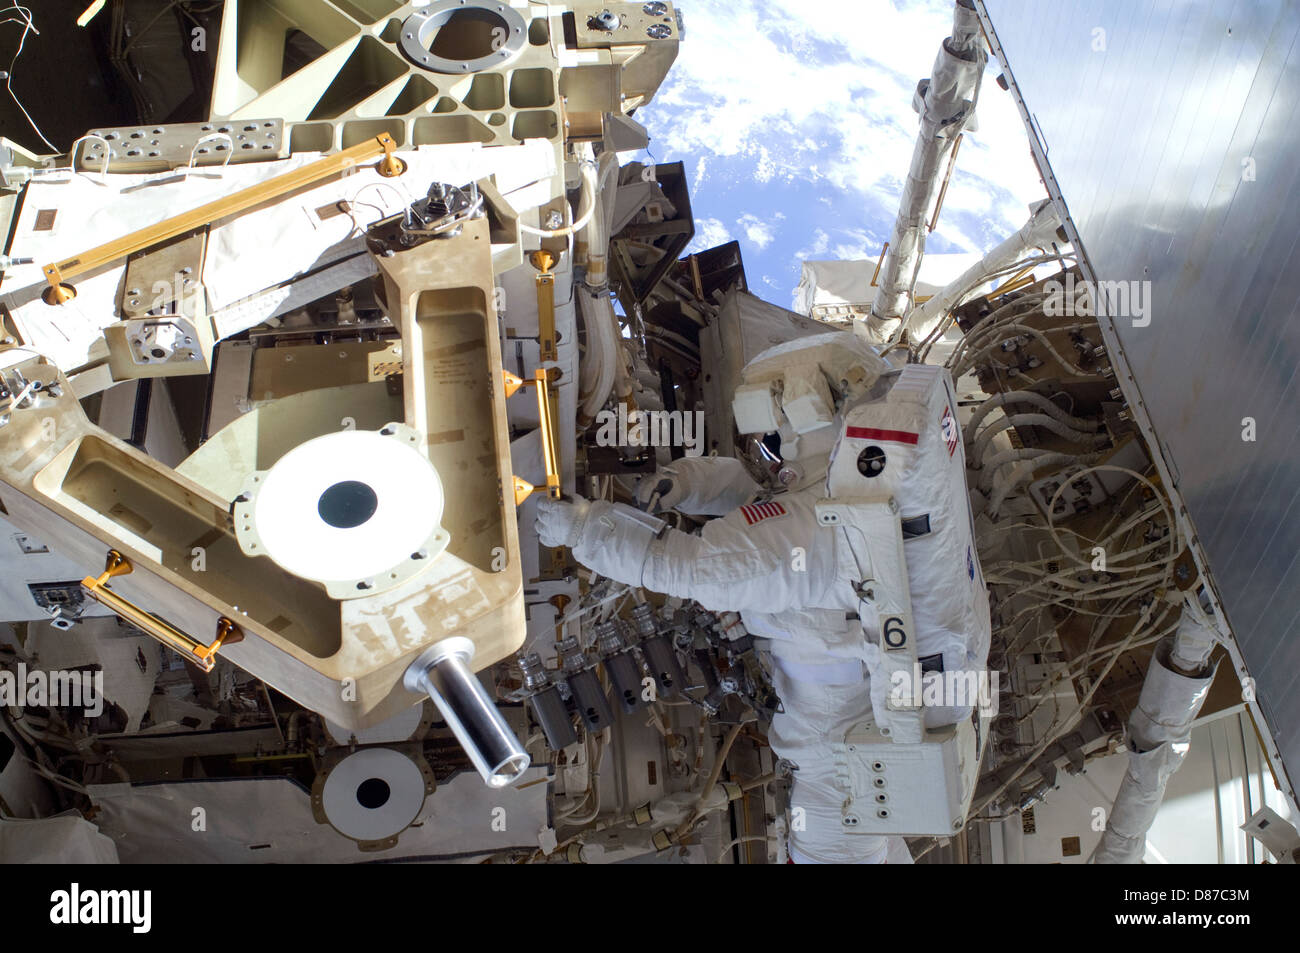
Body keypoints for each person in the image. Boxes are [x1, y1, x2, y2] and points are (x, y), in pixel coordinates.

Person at [537, 335, 990, 863]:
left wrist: (583, 529)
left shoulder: (818, 526)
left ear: (795, 415)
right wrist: (681, 484)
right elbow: (755, 494)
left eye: (771, 438)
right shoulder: (844, 497)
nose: (768, 453)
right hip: (850, 743)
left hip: (836, 759)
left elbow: (695, 566)